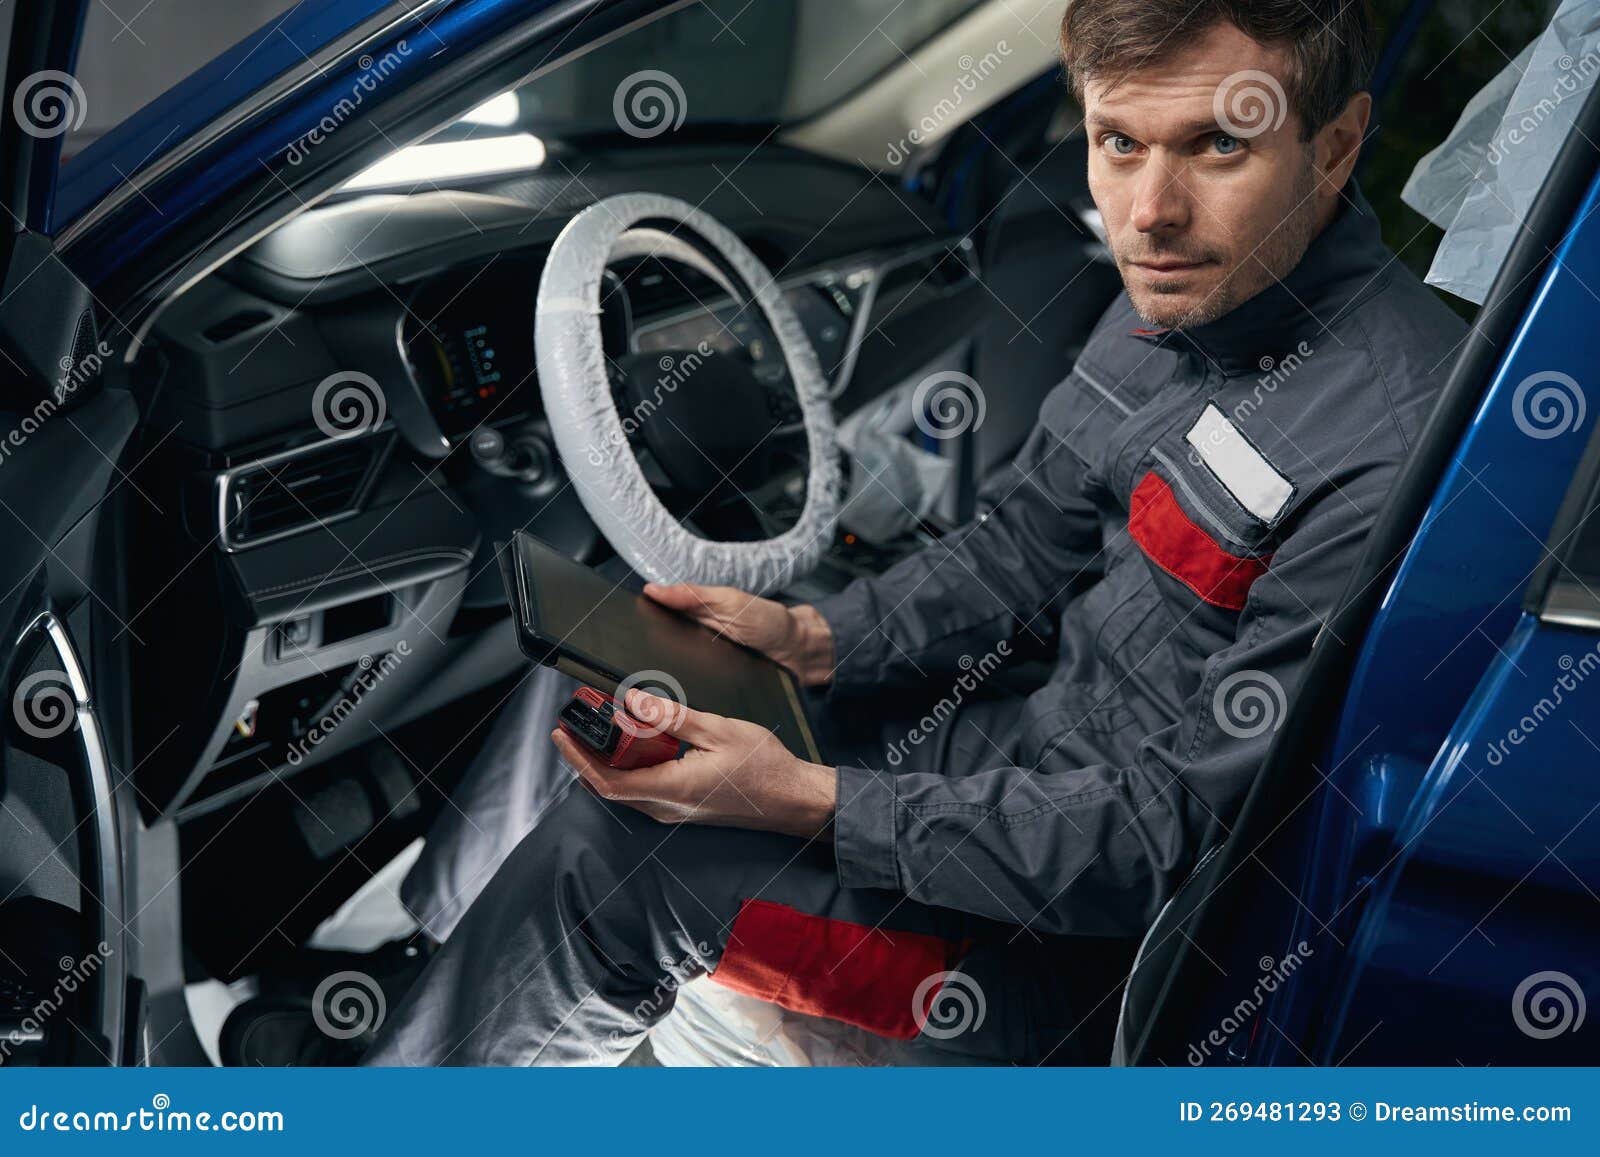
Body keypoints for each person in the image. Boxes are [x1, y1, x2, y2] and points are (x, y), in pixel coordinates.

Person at [228, 0, 1468, 1066]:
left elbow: (1165, 843)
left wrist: (809, 800)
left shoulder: (1397, 445)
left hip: (1068, 965)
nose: (1149, 211)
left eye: (1215, 148)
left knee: (629, 855)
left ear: (1335, 142)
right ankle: (441, 980)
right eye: (1118, 143)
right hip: (997, 761)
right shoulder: (1169, 305)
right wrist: (810, 638)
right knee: (634, 667)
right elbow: (1018, 550)